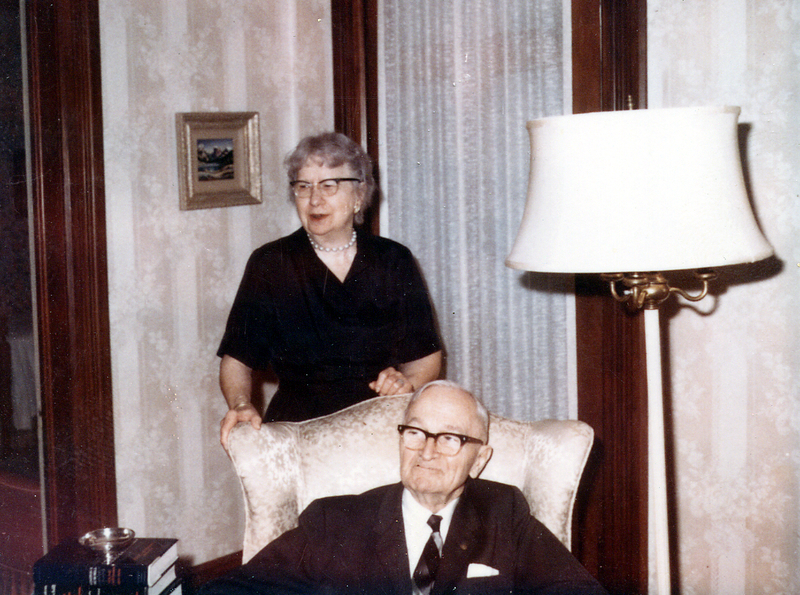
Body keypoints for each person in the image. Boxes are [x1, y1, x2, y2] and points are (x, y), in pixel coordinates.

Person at [200, 380, 608, 595]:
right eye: (415, 432)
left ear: (480, 459)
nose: (427, 451)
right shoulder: (335, 521)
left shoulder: (504, 512)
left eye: (450, 438)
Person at [217, 132, 443, 447]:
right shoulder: (271, 263)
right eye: (303, 186)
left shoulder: (393, 260)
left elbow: (426, 357)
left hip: (380, 427)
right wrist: (241, 403)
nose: (314, 200)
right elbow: (237, 360)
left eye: (329, 185)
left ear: (359, 196)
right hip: (299, 432)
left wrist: (407, 382)